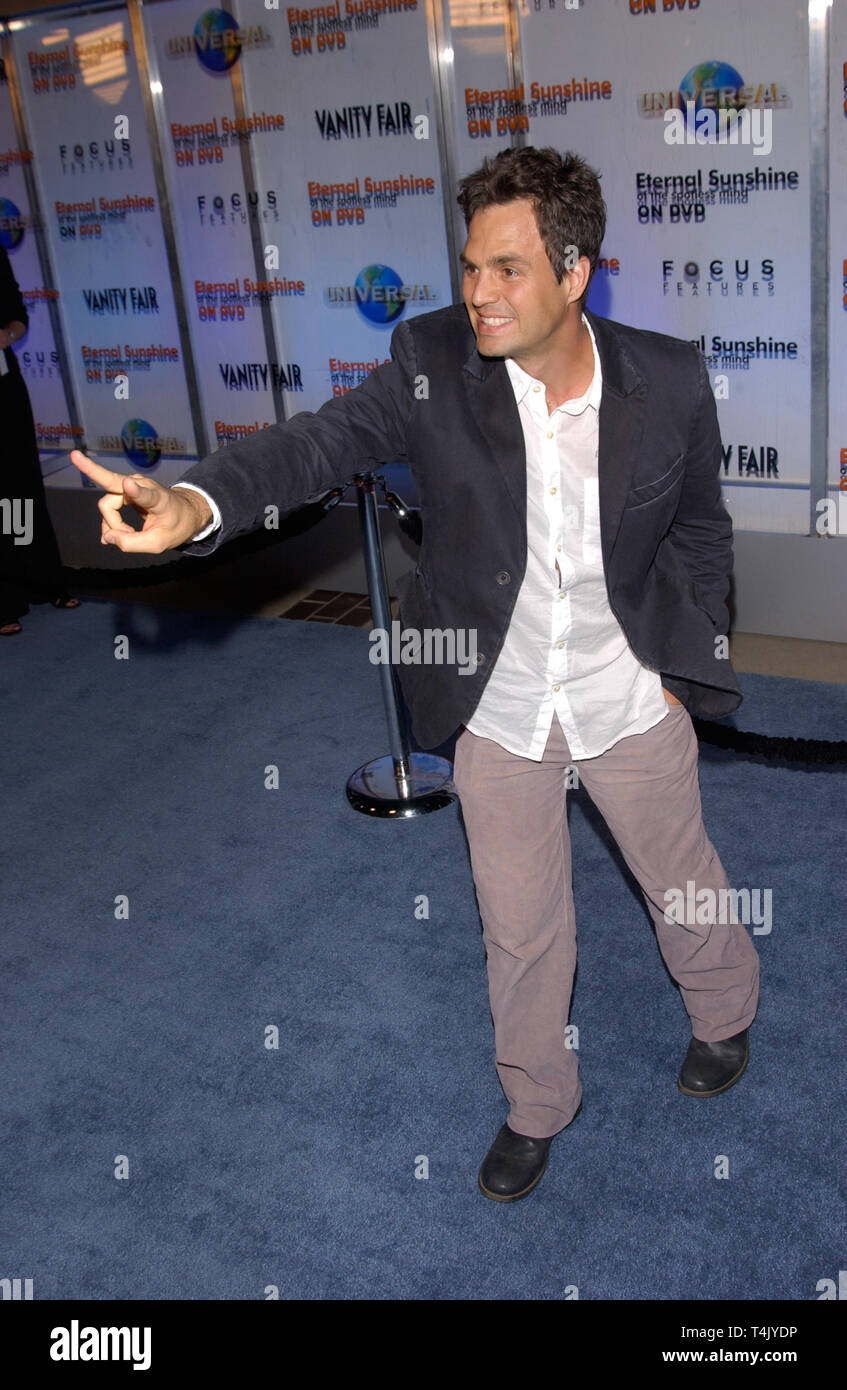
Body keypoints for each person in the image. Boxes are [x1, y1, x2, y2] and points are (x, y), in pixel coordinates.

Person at [70, 147, 760, 1202]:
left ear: (576, 273)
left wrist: (682, 656)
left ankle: (724, 1012)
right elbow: (316, 444)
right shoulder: (432, 360)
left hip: (628, 689)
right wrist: (197, 503)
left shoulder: (665, 379)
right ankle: (537, 1102)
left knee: (683, 880)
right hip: (497, 696)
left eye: (508, 269)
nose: (478, 293)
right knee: (519, 923)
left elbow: (701, 532)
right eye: (469, 266)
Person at [0, 244, 79, 635]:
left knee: (20, 488)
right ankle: (4, 599)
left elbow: (17, 313)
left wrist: (8, 334)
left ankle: (39, 581)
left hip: (4, 385)